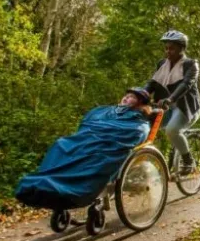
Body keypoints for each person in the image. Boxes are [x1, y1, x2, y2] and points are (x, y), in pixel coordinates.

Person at [14, 87, 154, 210]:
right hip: (88, 139)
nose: (126, 98)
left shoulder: (139, 122)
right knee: (61, 144)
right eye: (127, 95)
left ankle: (70, 190)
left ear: (140, 104)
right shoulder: (107, 111)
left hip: (108, 146)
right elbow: (88, 124)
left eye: (132, 97)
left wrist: (103, 136)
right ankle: (46, 183)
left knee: (93, 156)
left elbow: (135, 134)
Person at [144, 30, 200, 176]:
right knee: (144, 128)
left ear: (182, 48)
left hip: (186, 107)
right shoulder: (162, 64)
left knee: (172, 130)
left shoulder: (191, 65)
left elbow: (186, 84)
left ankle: (189, 161)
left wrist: (170, 99)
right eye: (166, 48)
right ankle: (144, 163)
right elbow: (152, 83)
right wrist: (140, 95)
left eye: (172, 48)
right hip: (165, 107)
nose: (168, 51)